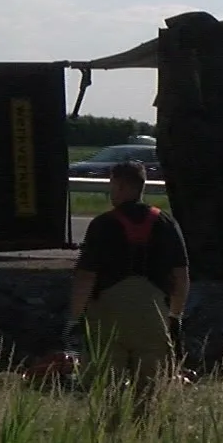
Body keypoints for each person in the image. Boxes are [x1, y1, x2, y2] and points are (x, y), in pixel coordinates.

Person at [66, 159, 190, 409]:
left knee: (103, 390)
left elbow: (85, 278)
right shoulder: (166, 223)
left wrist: (74, 318)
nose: (110, 192)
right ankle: (145, 438)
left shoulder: (102, 225)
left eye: (112, 186)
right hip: (153, 314)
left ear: (122, 187)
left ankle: (107, 438)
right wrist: (174, 317)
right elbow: (182, 277)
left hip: (108, 317)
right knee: (149, 394)